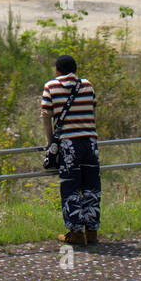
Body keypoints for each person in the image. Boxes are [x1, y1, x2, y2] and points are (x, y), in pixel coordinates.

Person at [41, 54, 100, 245]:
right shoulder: (87, 85)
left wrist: (51, 144)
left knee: (71, 187)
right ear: (75, 69)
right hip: (90, 142)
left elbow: (46, 117)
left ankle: (75, 233)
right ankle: (92, 232)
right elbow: (93, 111)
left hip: (68, 145)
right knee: (91, 187)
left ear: (57, 70)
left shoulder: (51, 86)